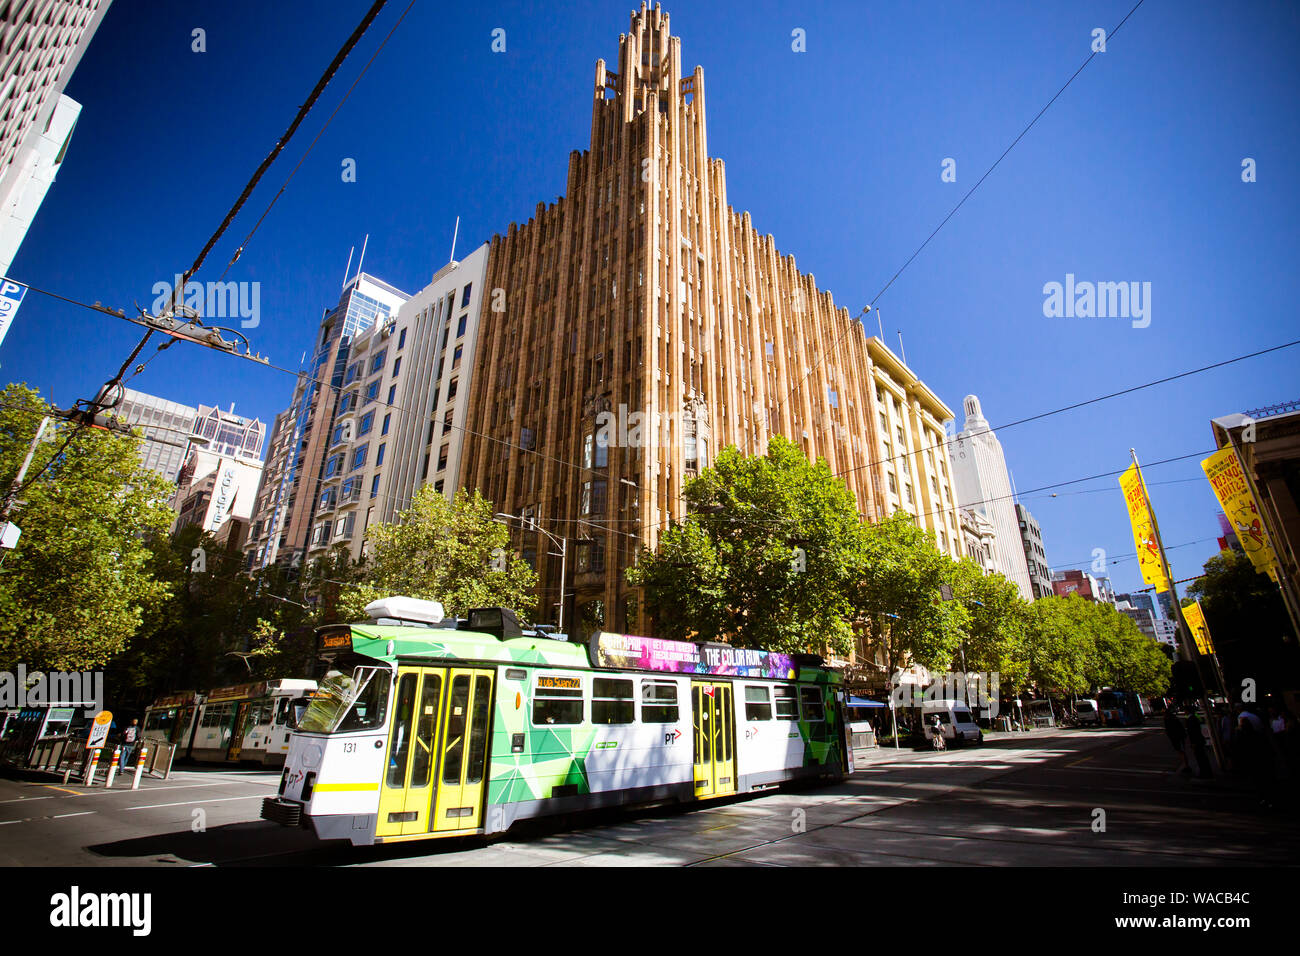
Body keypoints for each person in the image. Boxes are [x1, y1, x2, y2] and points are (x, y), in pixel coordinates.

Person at [1185, 710, 1212, 779]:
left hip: (1197, 742)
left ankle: (1204, 773)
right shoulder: (1194, 718)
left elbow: (1192, 732)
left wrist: (1193, 742)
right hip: (1199, 740)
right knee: (1202, 756)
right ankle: (1206, 772)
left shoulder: (1190, 720)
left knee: (1200, 757)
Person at [1163, 705, 1189, 773]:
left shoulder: (1168, 720)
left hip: (1175, 737)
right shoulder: (1174, 718)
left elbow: (1168, 730)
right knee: (1181, 751)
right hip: (1179, 737)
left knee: (1181, 751)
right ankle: (1186, 765)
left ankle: (1186, 766)